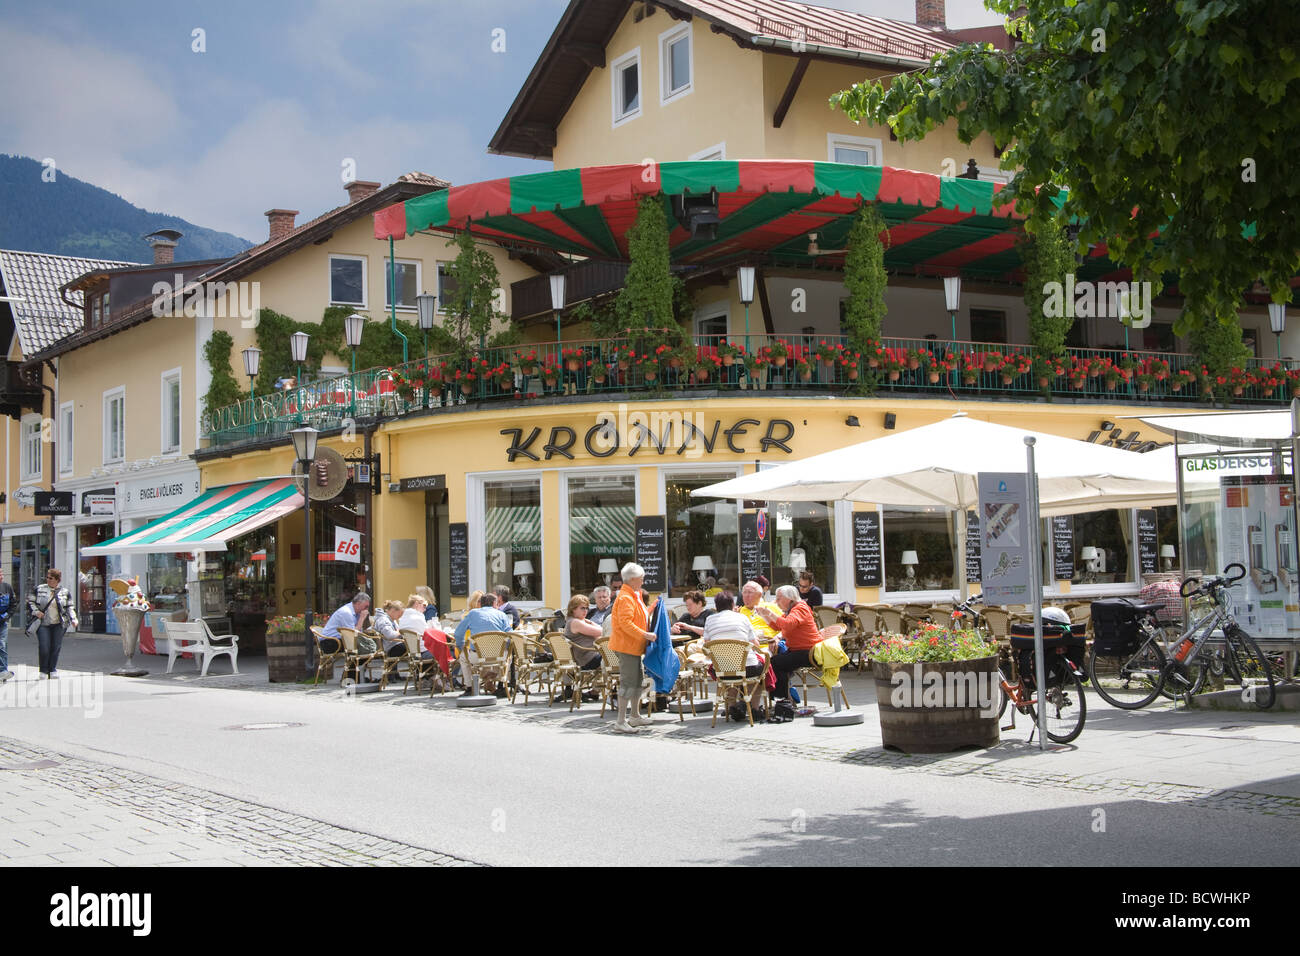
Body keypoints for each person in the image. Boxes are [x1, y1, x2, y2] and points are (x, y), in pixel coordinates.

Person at [609, 562, 659, 733]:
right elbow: (626, 623)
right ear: (632, 580)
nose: (643, 581)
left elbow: (639, 615)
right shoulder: (625, 597)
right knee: (628, 683)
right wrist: (645, 635)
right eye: (641, 578)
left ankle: (635, 716)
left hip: (633, 647)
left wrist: (653, 608)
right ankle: (620, 721)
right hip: (626, 646)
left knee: (637, 682)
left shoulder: (633, 594)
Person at [701, 592, 767, 720]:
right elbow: (755, 644)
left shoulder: (710, 619)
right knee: (761, 670)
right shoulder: (742, 617)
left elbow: (707, 644)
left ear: (716, 606)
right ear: (732, 604)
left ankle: (732, 706)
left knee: (730, 674)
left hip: (722, 669)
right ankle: (754, 709)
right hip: (748, 668)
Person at [755, 584, 822, 705]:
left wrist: (769, 613)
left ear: (789, 598)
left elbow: (787, 624)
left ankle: (783, 699)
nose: (776, 601)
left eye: (779, 598)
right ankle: (784, 698)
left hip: (809, 651)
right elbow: (777, 626)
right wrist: (763, 615)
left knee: (775, 663)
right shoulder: (791, 610)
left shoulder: (800, 608)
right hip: (798, 650)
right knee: (775, 662)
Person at [453, 592, 511, 697]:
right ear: (494, 603)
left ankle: (470, 688)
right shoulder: (502, 614)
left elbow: (458, 634)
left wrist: (461, 647)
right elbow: (510, 635)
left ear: (481, 603)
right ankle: (502, 685)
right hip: (499, 657)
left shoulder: (472, 614)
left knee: (463, 657)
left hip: (478, 657)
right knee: (509, 656)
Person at [28, 569, 78, 679]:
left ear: (57, 580)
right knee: (44, 647)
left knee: (56, 647)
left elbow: (69, 606)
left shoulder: (64, 591)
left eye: (50, 578)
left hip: (59, 624)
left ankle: (52, 669)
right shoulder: (39, 589)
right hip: (43, 623)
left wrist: (74, 618)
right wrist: (36, 612)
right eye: (47, 577)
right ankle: (43, 670)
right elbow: (30, 602)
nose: (48, 580)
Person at [0, 566, 14, 682]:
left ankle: (3, 671)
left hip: (2, 622)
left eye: (1, 574)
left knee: (2, 645)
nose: (1, 576)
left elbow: (13, 604)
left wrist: (7, 616)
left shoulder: (7, 587)